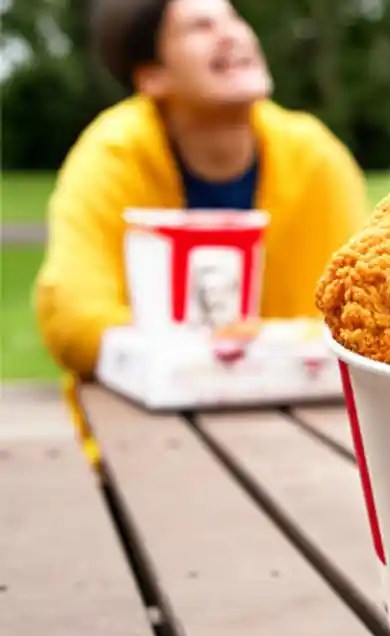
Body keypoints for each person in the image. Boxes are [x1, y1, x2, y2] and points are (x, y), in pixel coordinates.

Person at [34, 0, 365, 454]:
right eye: (200, 26)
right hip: (144, 435)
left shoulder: (317, 158)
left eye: (232, 17)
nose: (231, 33)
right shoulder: (111, 156)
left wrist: (247, 344)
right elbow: (72, 318)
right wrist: (210, 351)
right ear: (152, 76)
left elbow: (360, 313)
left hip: (298, 429)